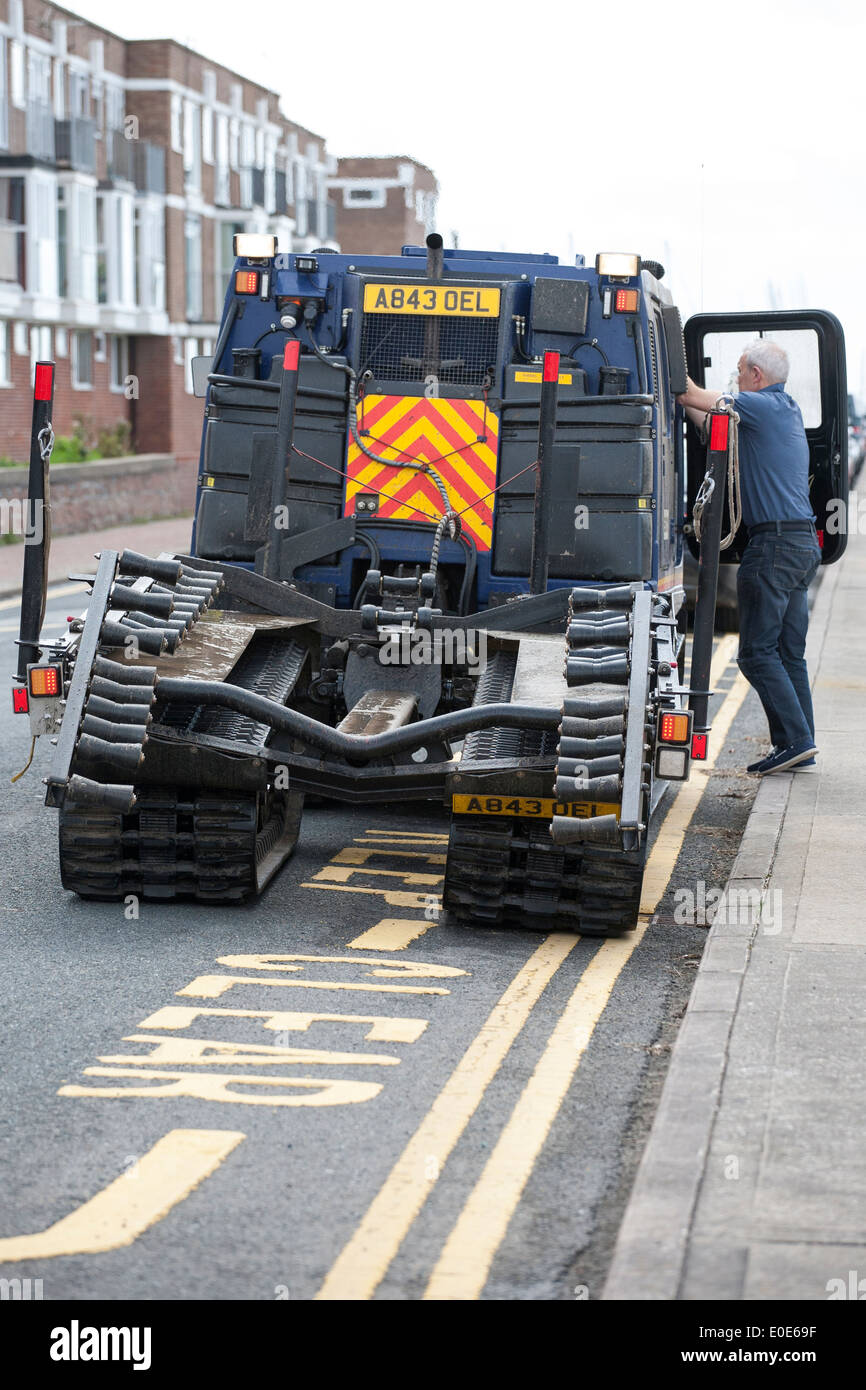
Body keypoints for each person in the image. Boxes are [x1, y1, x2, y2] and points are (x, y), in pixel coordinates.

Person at [677, 339, 821, 775]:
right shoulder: (784, 410)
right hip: (800, 546)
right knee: (787, 653)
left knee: (756, 655)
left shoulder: (760, 406)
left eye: (739, 371)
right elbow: (705, 417)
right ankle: (800, 743)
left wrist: (667, 358)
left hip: (774, 548)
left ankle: (794, 739)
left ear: (756, 376)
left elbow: (692, 394)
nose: (735, 378)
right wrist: (690, 406)